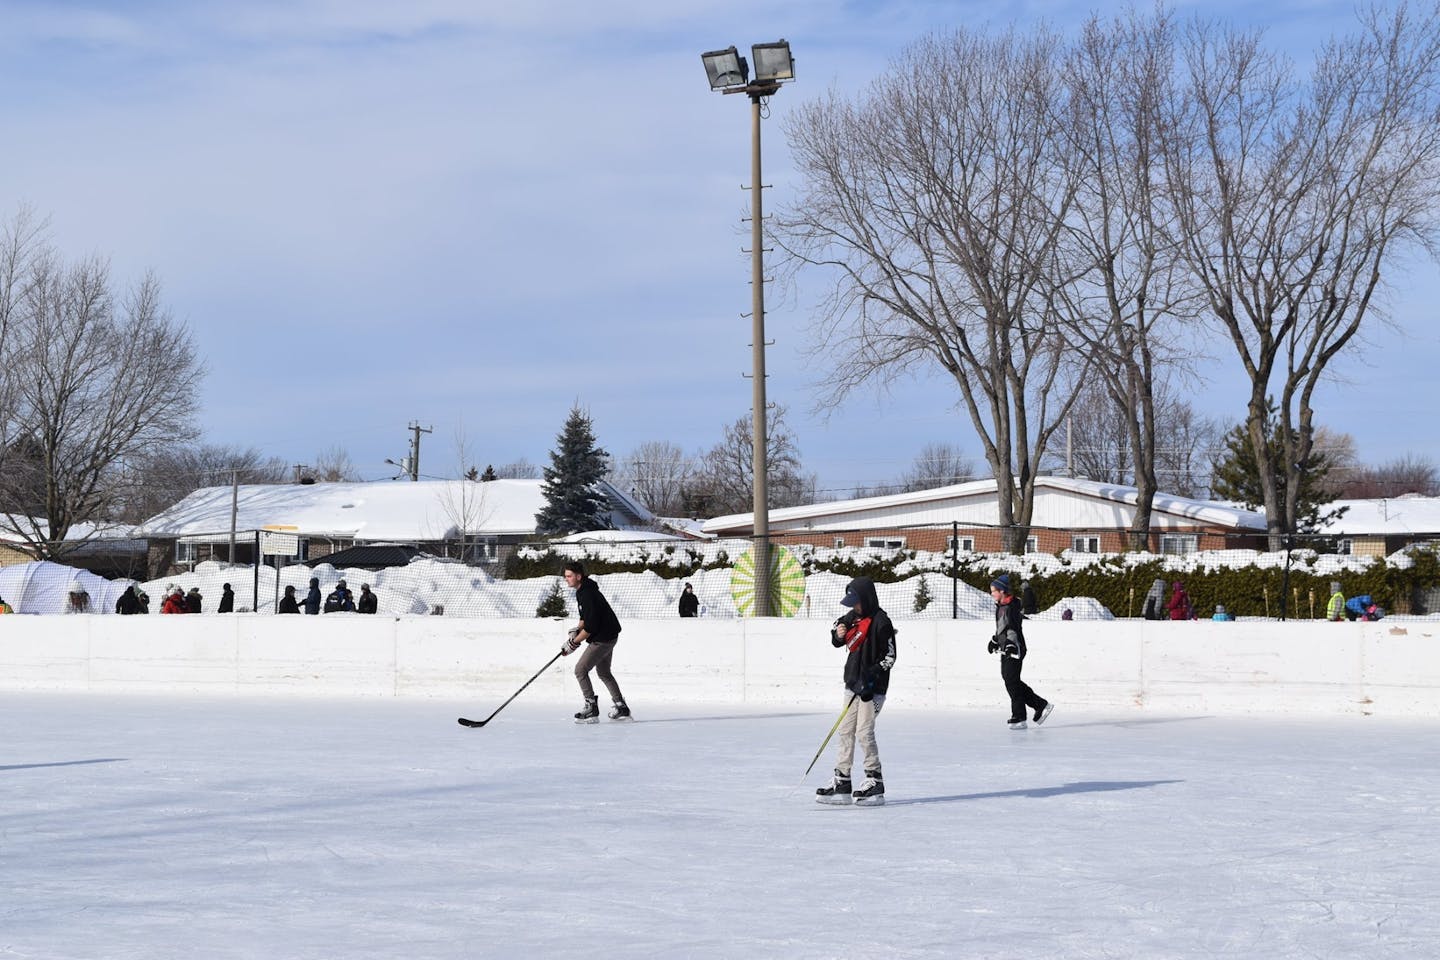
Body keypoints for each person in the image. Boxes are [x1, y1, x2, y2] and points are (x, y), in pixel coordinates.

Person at [815, 576, 897, 807]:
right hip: (852, 684)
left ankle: (874, 779)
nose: (853, 607)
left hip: (872, 688)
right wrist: (838, 634)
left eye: (856, 602)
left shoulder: (882, 622)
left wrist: (871, 676)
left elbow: (890, 657)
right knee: (845, 730)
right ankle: (842, 780)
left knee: (864, 732)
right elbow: (837, 630)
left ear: (867, 599)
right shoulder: (853, 616)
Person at [558, 561, 628, 722]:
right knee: (603, 672)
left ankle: (591, 708)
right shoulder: (582, 591)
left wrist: (573, 643)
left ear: (578, 576)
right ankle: (621, 707)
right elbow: (585, 618)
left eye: (569, 576)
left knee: (580, 670)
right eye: (565, 576)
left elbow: (591, 626)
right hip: (608, 635)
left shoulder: (587, 593)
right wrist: (577, 629)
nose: (566, 579)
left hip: (603, 638)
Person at [988, 573, 1052, 731]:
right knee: (1010, 680)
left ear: (1002, 591)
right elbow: (1003, 628)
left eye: (994, 591)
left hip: (1015, 648)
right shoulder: (1001, 607)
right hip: (1006, 647)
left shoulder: (1011, 607)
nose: (992, 594)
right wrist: (996, 640)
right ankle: (1040, 705)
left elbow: (1013, 629)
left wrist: (1010, 644)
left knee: (1011, 681)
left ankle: (1020, 716)